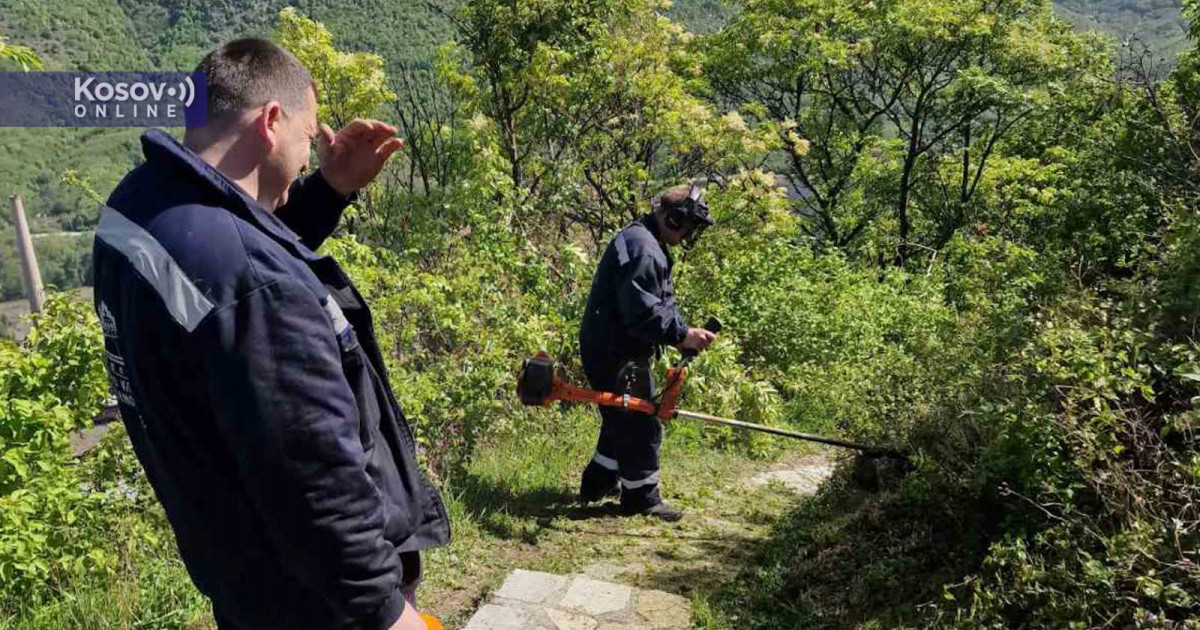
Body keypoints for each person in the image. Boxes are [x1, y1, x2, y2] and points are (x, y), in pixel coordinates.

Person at [92, 39, 448, 630]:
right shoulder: (257, 288)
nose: (309, 157)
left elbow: (235, 258)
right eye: (308, 139)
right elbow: (315, 477)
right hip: (317, 603)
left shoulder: (140, 207)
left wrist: (329, 189)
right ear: (271, 122)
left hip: (242, 570)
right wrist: (385, 612)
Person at [577, 184, 718, 522]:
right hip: (614, 350)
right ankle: (641, 498)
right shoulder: (645, 249)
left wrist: (683, 333)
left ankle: (597, 482)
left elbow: (659, 302)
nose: (688, 236)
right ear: (673, 219)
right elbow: (641, 311)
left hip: (613, 345)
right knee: (641, 422)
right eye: (688, 227)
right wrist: (681, 335)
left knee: (621, 416)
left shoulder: (645, 239)